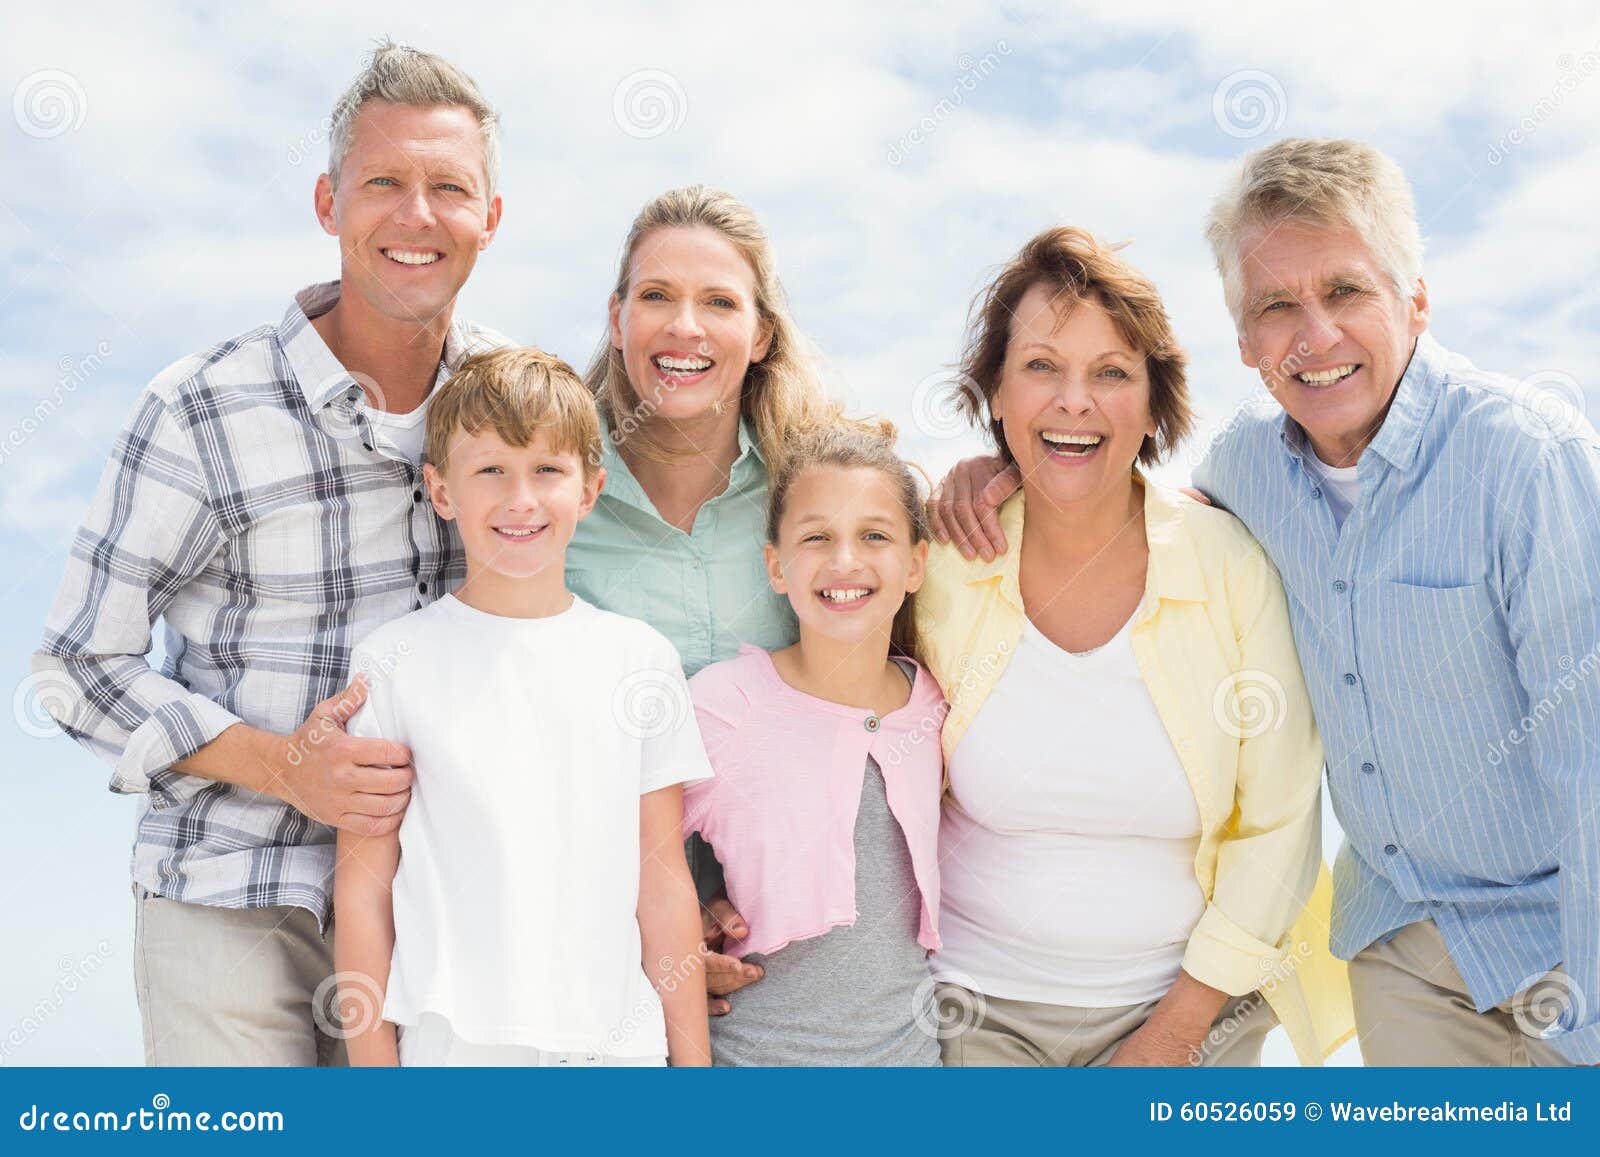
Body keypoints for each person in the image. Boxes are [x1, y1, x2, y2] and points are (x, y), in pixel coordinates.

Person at [930, 138, 1600, 1066]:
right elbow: (1111, 493)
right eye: (1276, 306)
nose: (1313, 336)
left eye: (1346, 291)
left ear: (1416, 299)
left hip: (1562, 921)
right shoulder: (1246, 469)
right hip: (1405, 936)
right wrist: (998, 471)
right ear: (1244, 340)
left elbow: (1589, 763)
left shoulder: (1532, 463)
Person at [30, 41, 508, 1065]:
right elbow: (76, 667)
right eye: (383, 183)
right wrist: (286, 766)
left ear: (490, 218)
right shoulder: (199, 408)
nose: (416, 215)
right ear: (329, 202)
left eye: (448, 188)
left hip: (436, 905)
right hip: (229, 891)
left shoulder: (511, 410)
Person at [919, 226, 1351, 1066]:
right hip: (969, 1012)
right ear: (995, 393)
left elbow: (1280, 823)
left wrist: (1170, 1037)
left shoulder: (1232, 566)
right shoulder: (937, 563)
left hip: (1195, 1016)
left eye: (1112, 372)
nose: (1074, 400)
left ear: (1155, 404)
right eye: (1040, 366)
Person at [334, 347, 711, 1067]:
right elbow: (362, 892)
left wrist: (693, 1072)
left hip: (618, 1053)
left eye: (547, 470)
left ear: (590, 489)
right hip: (453, 1053)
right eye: (491, 471)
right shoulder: (392, 663)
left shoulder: (641, 660)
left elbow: (664, 885)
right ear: (440, 490)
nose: (521, 499)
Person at [570, 186, 844, 1011]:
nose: (684, 326)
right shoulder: (549, 495)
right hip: (588, 937)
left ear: (761, 334)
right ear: (618, 318)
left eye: (719, 302)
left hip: (789, 948)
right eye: (657, 296)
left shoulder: (816, 496)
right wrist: (650, 927)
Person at [682, 423, 945, 1065]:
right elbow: (625, 863)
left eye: (874, 535)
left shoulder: (936, 705)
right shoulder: (723, 704)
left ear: (915, 564)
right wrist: (676, 942)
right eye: (816, 537)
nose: (845, 561)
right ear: (776, 566)